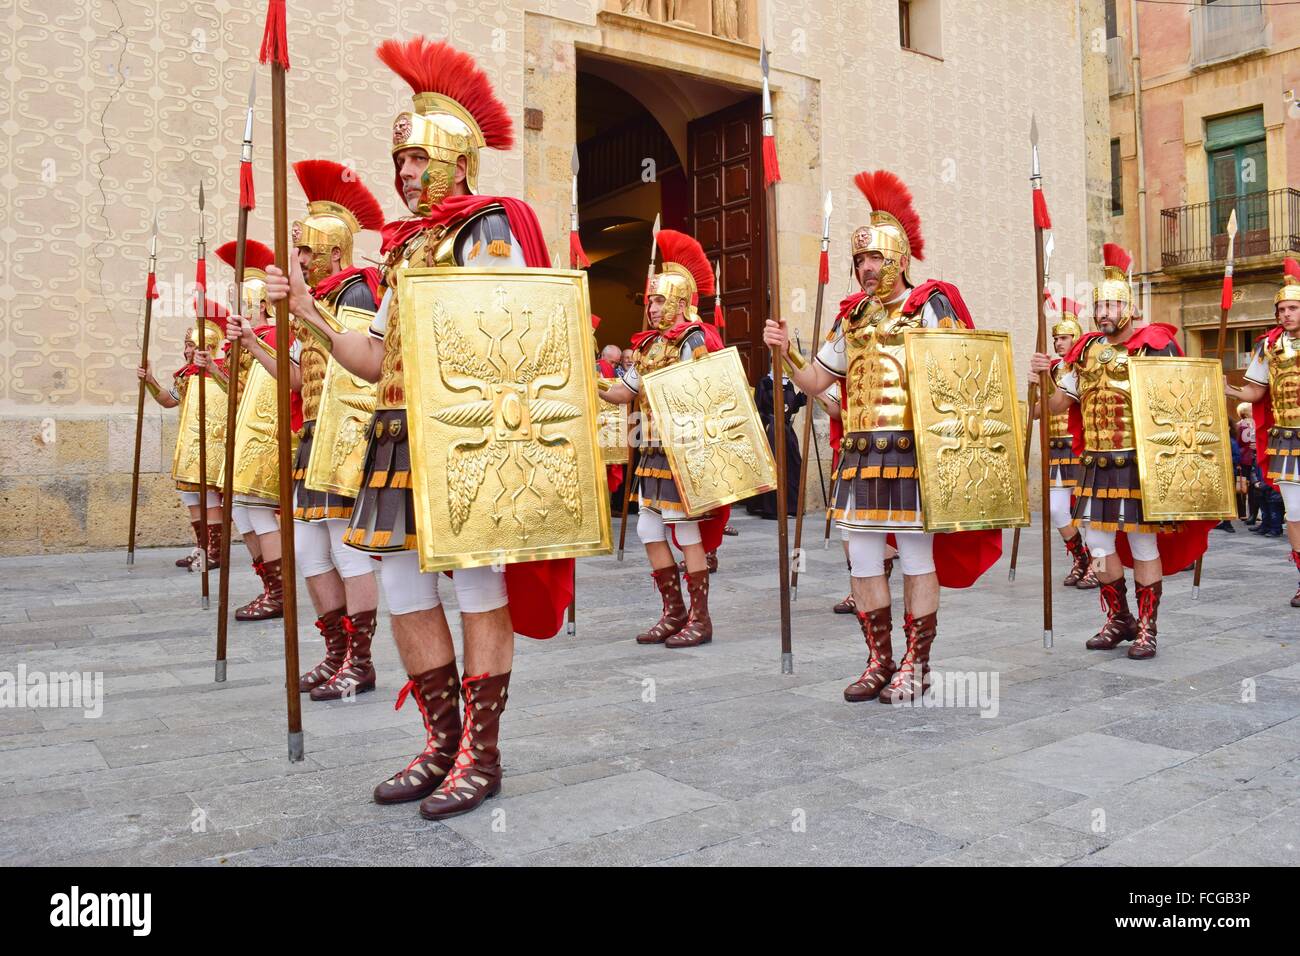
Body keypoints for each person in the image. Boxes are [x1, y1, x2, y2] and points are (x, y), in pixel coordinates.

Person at [266, 37, 571, 819]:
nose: (404, 173)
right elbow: (374, 360)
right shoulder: (403, 253)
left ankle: (481, 755)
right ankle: (441, 743)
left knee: (477, 586)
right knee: (402, 585)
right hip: (398, 437)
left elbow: (513, 337)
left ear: (459, 162)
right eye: (398, 160)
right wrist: (307, 315)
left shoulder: (489, 229)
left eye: (417, 159)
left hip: (467, 437)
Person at [763, 170, 1001, 703]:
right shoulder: (851, 318)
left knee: (916, 559)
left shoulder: (931, 304)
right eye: (859, 260)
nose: (866, 268)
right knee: (864, 560)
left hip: (913, 453)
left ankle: (918, 663)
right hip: (860, 454)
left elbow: (963, 374)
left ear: (899, 258)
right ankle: (879, 660)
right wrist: (787, 351)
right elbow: (816, 381)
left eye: (874, 258)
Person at [1031, 243, 1211, 658]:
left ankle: (1147, 628)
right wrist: (1040, 380)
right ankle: (1119, 618)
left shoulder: (1154, 345)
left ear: (1129, 308)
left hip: (1137, 463)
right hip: (1095, 463)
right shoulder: (1085, 352)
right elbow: (1059, 404)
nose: (1104, 313)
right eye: (1100, 306)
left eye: (1112, 305)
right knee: (1098, 546)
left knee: (1143, 545)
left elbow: (1181, 404)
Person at [277, 160, 386, 700]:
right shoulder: (318, 303)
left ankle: (360, 662)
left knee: (348, 553)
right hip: (314, 437)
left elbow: (362, 373)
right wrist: (254, 341)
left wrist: (306, 311)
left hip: (345, 439)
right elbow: (300, 379)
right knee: (310, 552)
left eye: (306, 251)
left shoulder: (357, 294)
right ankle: (337, 653)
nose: (299, 261)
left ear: (335, 253)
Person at [600, 229, 729, 646]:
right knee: (647, 530)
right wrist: (586, 379)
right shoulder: (649, 347)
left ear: (678, 301)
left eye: (658, 300)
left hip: (683, 451)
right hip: (653, 451)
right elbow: (623, 392)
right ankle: (673, 612)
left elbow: (707, 392)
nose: (652, 308)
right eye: (651, 301)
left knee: (686, 532)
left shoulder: (695, 340)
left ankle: (700, 619)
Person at [213, 241, 292, 621]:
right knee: (241, 514)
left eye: (245, 303)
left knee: (258, 511)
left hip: (266, 438)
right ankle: (269, 587)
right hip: (243, 435)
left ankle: (280, 593)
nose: (238, 310)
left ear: (262, 304)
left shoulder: (276, 335)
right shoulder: (242, 343)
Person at [1231, 258, 1300, 606]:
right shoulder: (1268, 346)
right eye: (1281, 309)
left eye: (1293, 308)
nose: (1285, 314)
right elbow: (1255, 392)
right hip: (1288, 440)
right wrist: (1224, 388)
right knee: (1296, 512)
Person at [139, 328, 224, 570]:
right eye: (186, 345)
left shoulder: (220, 374)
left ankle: (215, 553)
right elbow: (169, 400)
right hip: (188, 448)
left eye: (191, 345)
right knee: (191, 498)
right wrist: (150, 380)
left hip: (210, 447)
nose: (186, 351)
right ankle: (201, 548)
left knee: (209, 498)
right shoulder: (186, 376)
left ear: (207, 347)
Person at [1038, 299, 1098, 587]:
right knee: (1057, 510)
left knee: (1088, 515)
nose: (1058, 343)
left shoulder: (1085, 367)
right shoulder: (1050, 370)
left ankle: (1098, 567)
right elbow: (1039, 411)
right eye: (1055, 339)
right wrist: (1032, 386)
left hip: (1081, 446)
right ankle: (1081, 559)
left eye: (1063, 338)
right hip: (1056, 448)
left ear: (1076, 337)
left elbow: (1069, 403)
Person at [746, 370, 805, 519]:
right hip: (771, 430)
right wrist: (767, 424)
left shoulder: (789, 384)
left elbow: (792, 407)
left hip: (787, 431)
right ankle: (772, 509)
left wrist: (803, 396)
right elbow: (757, 408)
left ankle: (791, 507)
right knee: (774, 466)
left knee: (793, 465)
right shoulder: (765, 383)